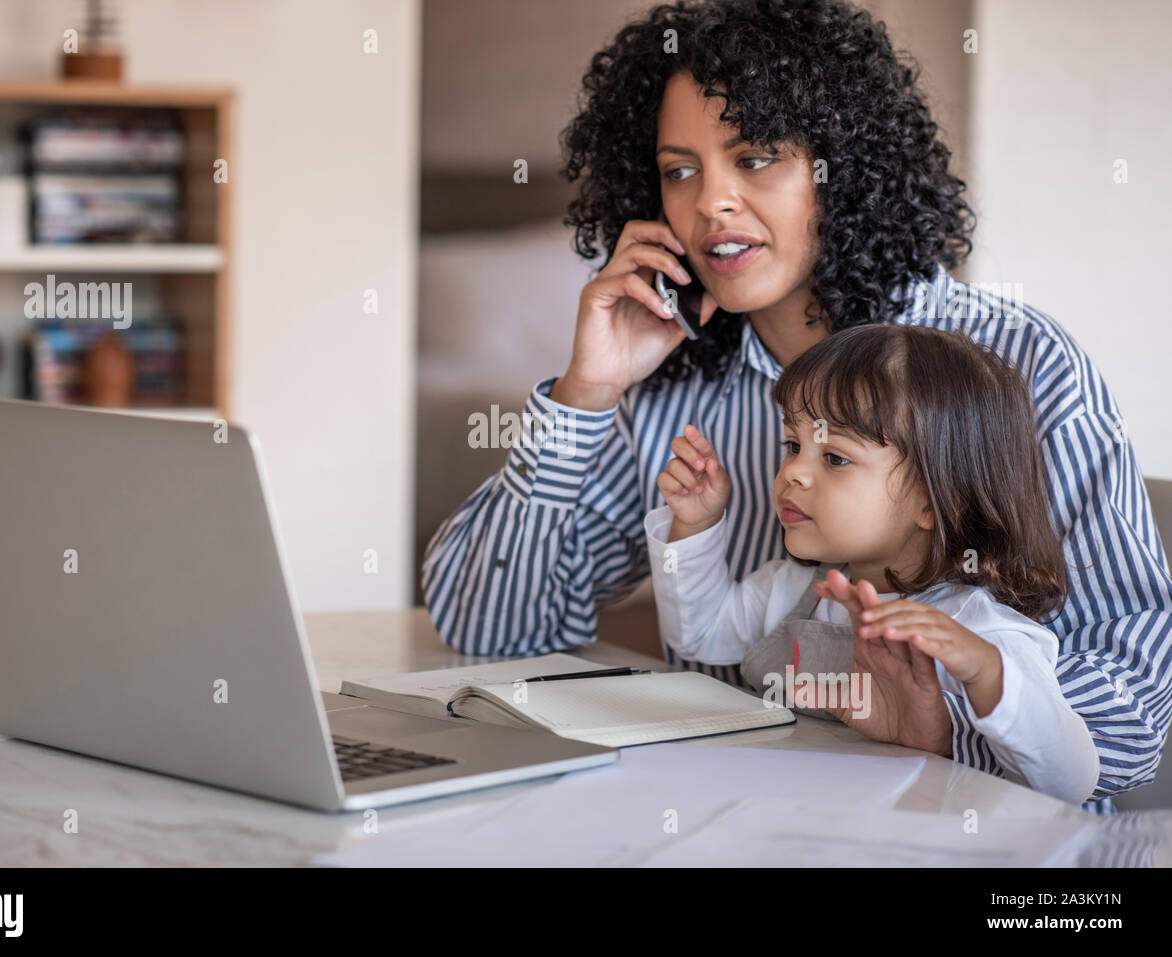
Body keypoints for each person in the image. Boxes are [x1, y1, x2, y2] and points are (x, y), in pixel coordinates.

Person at [421, 0, 1171, 814]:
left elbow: (1133, 708)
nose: (711, 203)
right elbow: (489, 629)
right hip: (730, 823)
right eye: (680, 170)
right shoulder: (678, 383)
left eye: (754, 158)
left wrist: (936, 729)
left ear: (840, 166)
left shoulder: (1022, 366)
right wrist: (586, 393)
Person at [646, 323, 1100, 805]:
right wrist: (695, 525)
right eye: (793, 446)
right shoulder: (794, 589)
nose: (794, 472)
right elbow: (698, 632)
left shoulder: (976, 633)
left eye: (836, 458)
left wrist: (988, 673)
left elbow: (1070, 783)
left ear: (935, 500)